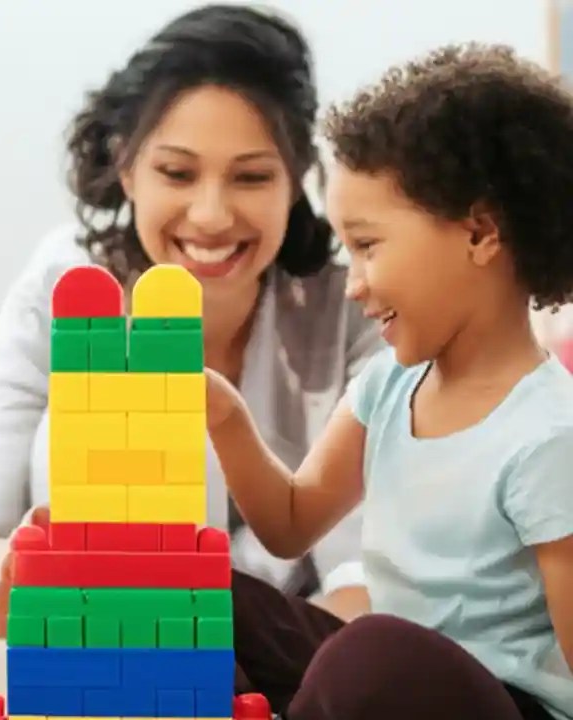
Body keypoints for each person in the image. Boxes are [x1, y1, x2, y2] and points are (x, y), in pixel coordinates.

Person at [0, 3, 381, 637]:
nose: (212, 214)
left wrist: (232, 661)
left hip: (286, 671)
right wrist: (23, 575)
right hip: (96, 648)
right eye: (177, 173)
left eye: (251, 177)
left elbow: (365, 580)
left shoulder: (348, 308)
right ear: (127, 164)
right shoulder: (65, 289)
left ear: (295, 177)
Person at [205, 42, 573, 720]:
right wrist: (226, 418)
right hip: (382, 683)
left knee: (369, 654)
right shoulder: (387, 386)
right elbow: (289, 525)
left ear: (481, 231)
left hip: (495, 703)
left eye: (368, 246)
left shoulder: (550, 436)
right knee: (201, 594)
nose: (355, 284)